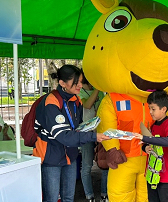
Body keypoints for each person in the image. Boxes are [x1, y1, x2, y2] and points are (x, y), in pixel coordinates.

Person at [32, 65, 110, 202]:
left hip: (70, 156)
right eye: (76, 82)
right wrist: (93, 136)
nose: (80, 85)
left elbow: (75, 128)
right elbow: (64, 136)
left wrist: (88, 126)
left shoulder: (75, 101)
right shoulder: (51, 102)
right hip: (51, 158)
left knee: (68, 197)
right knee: (51, 198)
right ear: (62, 83)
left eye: (81, 81)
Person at [133, 90, 168, 202]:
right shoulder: (154, 125)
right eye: (149, 108)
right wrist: (145, 147)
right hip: (153, 174)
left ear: (163, 109)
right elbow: (149, 144)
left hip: (166, 176)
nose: (150, 112)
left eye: (153, 109)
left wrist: (147, 139)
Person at [78, 72, 108, 202]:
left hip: (100, 130)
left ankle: (104, 194)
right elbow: (87, 105)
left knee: (105, 163)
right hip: (86, 133)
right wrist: (98, 88)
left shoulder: (100, 92)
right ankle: (89, 195)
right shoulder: (80, 92)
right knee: (87, 166)